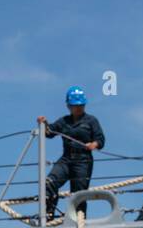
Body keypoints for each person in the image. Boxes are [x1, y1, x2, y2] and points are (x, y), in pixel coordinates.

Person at [37, 86, 105, 219]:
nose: (79, 108)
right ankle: (49, 214)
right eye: (75, 105)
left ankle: (78, 221)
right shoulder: (64, 121)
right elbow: (49, 133)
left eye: (81, 105)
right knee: (49, 182)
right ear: (69, 106)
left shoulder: (91, 121)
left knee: (78, 195)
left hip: (83, 161)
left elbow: (101, 139)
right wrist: (44, 124)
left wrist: (93, 144)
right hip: (66, 159)